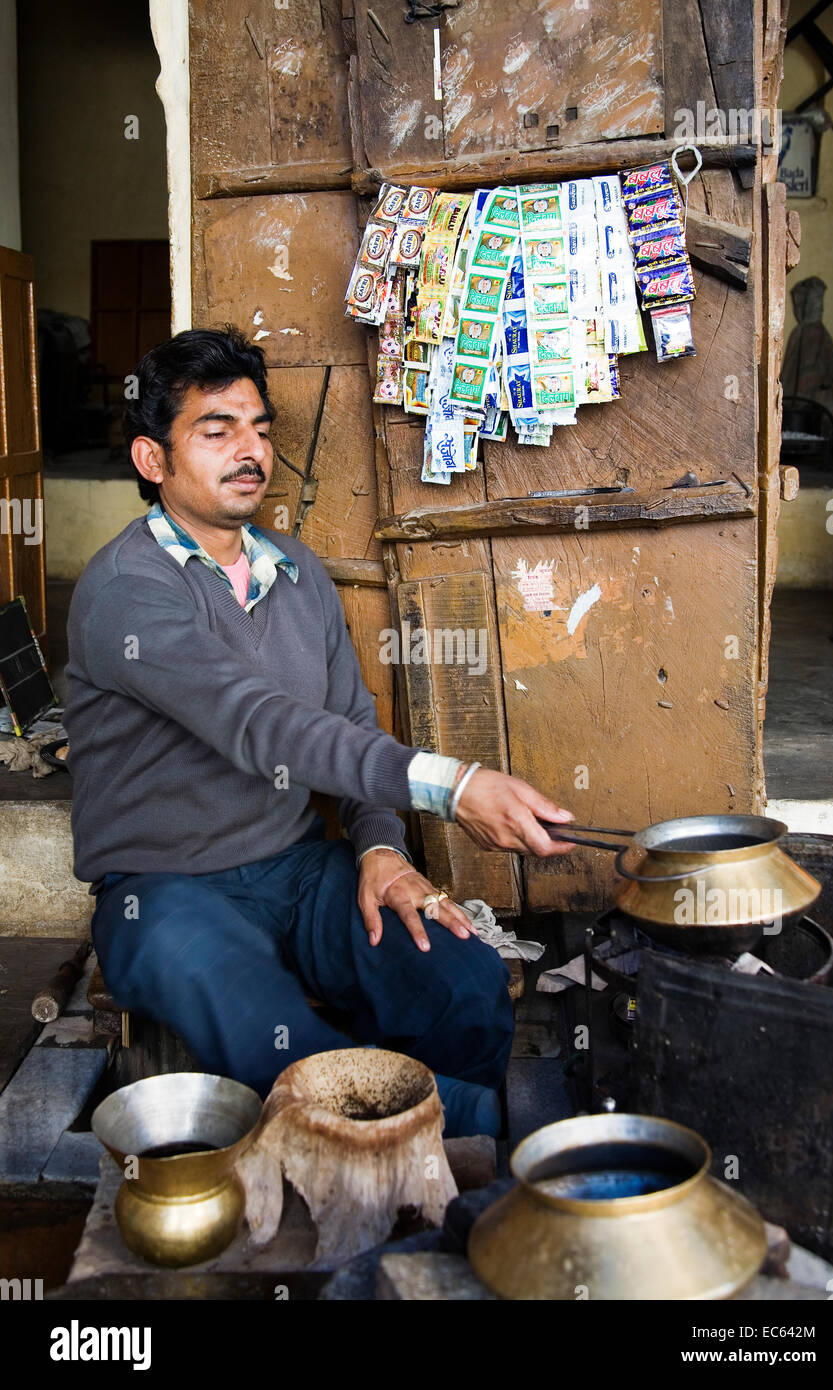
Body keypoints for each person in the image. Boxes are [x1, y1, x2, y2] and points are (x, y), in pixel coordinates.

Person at [64, 327, 577, 1138]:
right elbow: (256, 722)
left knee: (461, 980)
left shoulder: (295, 572)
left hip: (300, 872)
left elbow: (347, 726)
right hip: (162, 892)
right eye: (216, 430)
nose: (251, 451)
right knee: (284, 1042)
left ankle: (445, 1196)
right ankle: (490, 1143)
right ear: (152, 461)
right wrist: (452, 785)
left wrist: (380, 847)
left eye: (261, 430)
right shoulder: (125, 591)